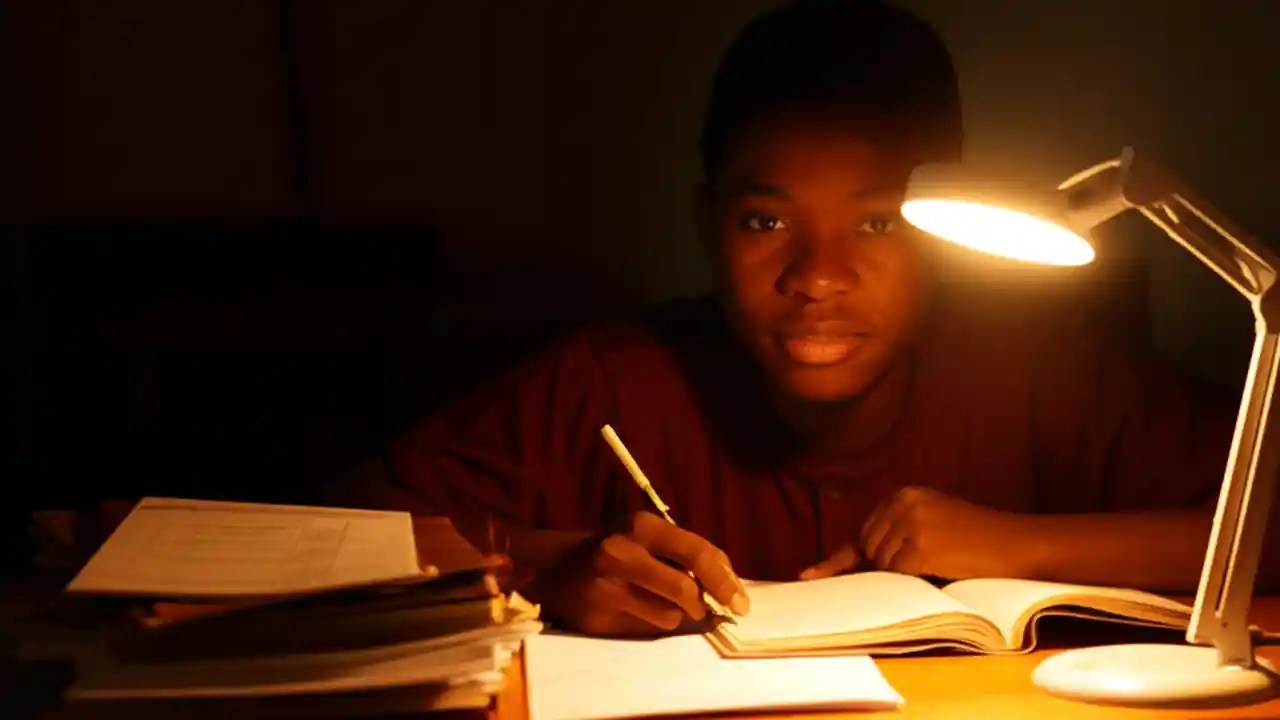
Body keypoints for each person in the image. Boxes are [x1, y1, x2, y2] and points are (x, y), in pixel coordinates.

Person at [330, 0, 1268, 637]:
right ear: (708, 225)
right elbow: (335, 523)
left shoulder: (1039, 369)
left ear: (950, 223)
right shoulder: (618, 378)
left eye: (879, 220)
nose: (819, 276)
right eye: (766, 221)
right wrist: (541, 566)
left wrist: (1019, 542)